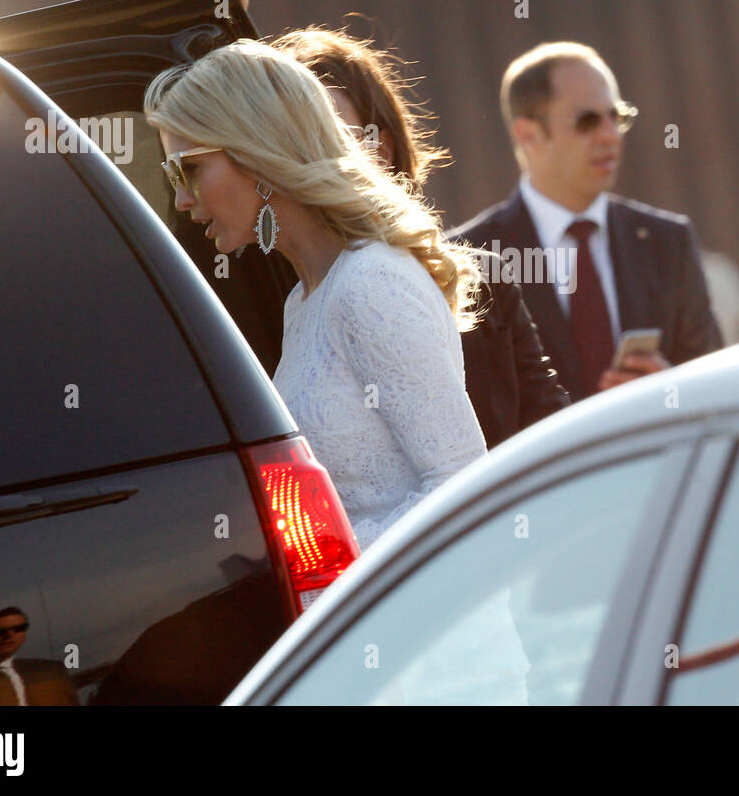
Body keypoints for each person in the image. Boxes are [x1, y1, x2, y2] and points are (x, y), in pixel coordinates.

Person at [163, 0, 571, 448]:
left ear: (386, 142)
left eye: (337, 126)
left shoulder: (388, 279)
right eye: (309, 122)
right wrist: (205, 29)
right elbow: (210, 185)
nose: (326, 141)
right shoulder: (289, 289)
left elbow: (520, 449)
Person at [145, 40, 487, 550]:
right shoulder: (303, 300)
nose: (182, 199)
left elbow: (463, 491)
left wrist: (326, 570)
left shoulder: (371, 282)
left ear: (255, 153)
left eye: (188, 168)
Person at [454, 41, 723, 401]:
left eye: (617, 116)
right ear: (528, 135)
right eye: (587, 121)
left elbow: (719, 382)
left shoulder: (667, 241)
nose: (610, 135)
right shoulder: (469, 259)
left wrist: (672, 388)